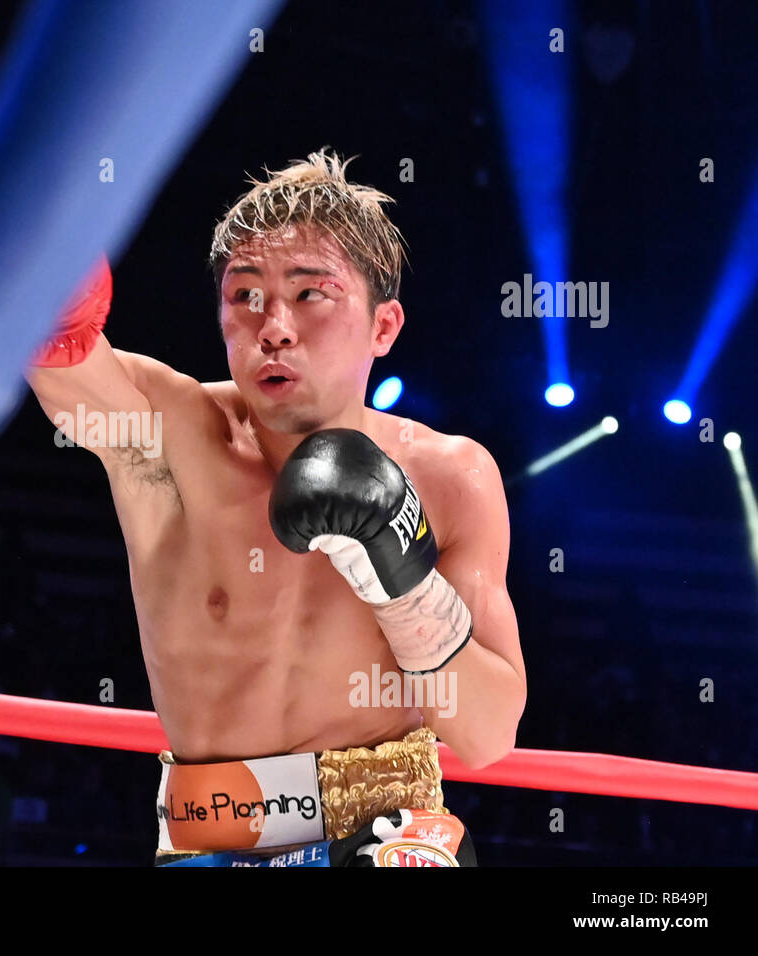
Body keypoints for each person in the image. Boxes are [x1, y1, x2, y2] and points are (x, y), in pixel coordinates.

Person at [26, 150, 526, 866]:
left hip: (386, 833)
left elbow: (487, 733)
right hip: (207, 838)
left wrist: (400, 580)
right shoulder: (168, 436)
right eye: (245, 296)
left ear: (383, 327)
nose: (274, 327)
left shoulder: (450, 477)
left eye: (310, 294)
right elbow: (55, 352)